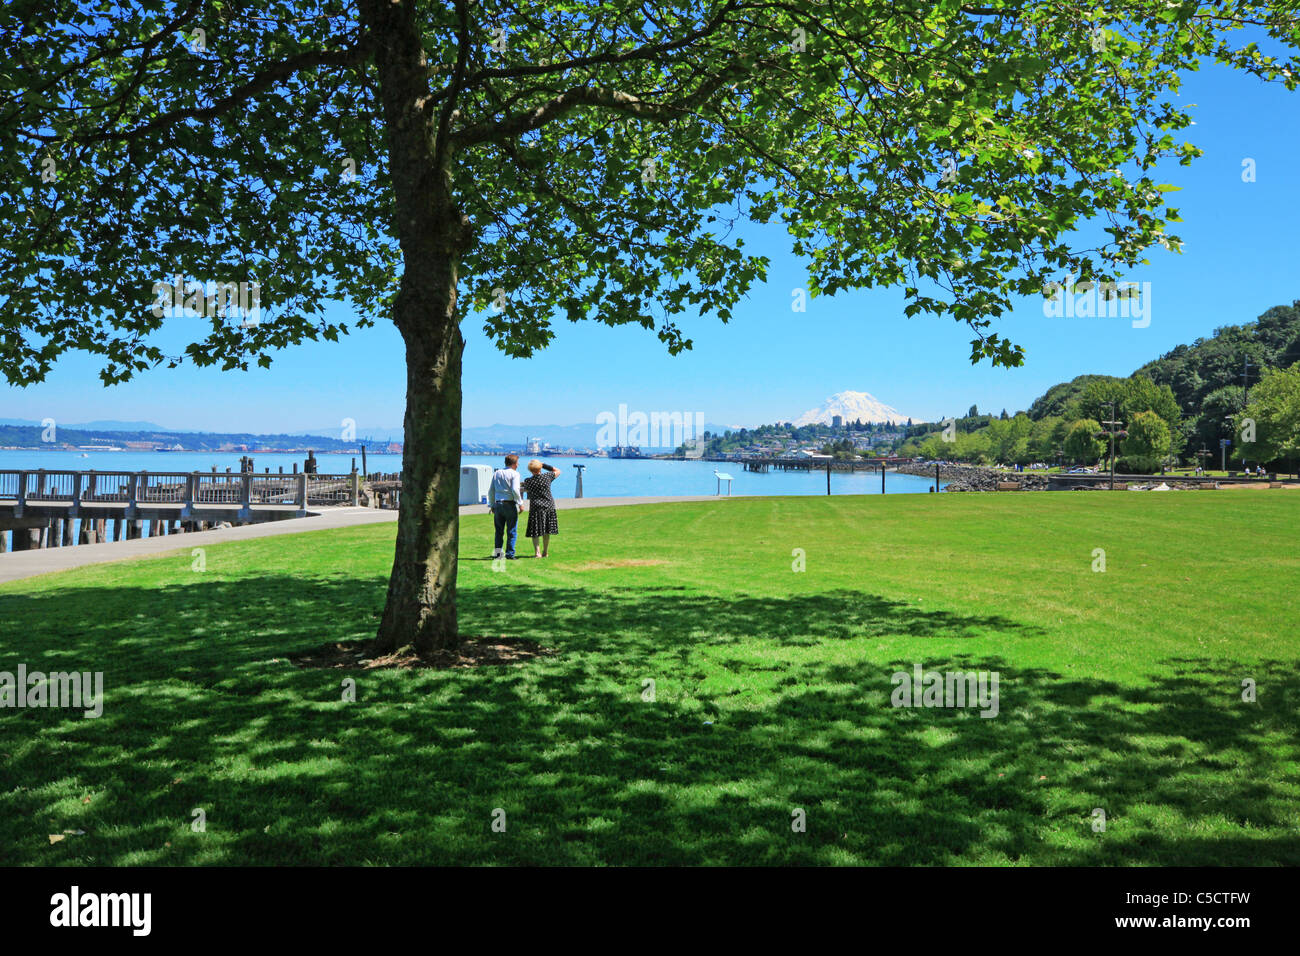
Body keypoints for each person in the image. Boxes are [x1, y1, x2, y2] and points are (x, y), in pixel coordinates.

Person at [488, 454, 525, 560]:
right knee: (512, 530)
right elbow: (515, 489)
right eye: (517, 463)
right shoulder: (515, 474)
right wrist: (520, 503)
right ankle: (510, 554)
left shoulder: (497, 473)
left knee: (499, 531)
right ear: (513, 463)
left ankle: (498, 554)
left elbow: (491, 490)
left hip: (498, 503)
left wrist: (492, 505)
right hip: (509, 503)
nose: (518, 465)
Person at [521, 459, 560, 558]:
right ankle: (545, 551)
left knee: (536, 530)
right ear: (540, 468)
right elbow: (558, 471)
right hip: (548, 505)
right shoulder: (547, 477)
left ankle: (537, 552)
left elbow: (524, 489)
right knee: (547, 530)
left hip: (536, 507)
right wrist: (544, 465)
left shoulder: (528, 481)